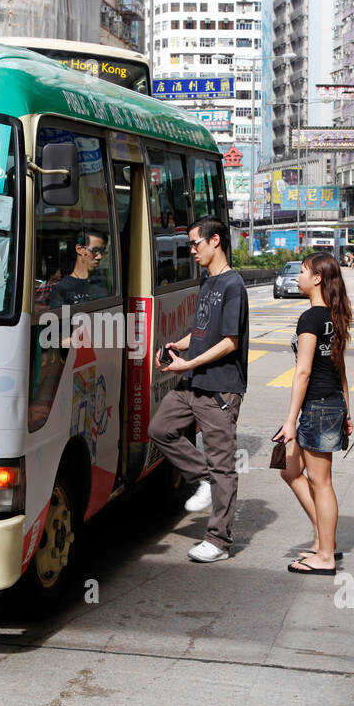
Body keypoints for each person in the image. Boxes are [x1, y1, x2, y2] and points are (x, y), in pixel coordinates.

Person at [150, 219, 250, 563]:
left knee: (224, 466)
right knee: (160, 428)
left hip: (220, 387)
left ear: (215, 241)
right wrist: (178, 345)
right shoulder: (208, 281)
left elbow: (229, 342)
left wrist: (188, 364)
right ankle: (202, 476)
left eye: (195, 244)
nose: (191, 250)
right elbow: (204, 331)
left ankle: (219, 541)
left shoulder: (233, 284)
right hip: (193, 381)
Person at [277, 252, 354, 574]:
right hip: (331, 403)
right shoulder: (334, 316)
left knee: (322, 483)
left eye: (304, 272)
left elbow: (303, 372)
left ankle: (325, 555)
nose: (298, 277)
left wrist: (290, 420)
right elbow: (341, 369)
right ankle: (325, 541)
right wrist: (347, 410)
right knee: (288, 470)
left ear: (318, 278)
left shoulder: (311, 319)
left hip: (317, 407)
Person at [48, 231, 108, 308]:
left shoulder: (101, 282)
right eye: (95, 250)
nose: (100, 256)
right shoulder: (62, 288)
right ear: (79, 249)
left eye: (102, 251)